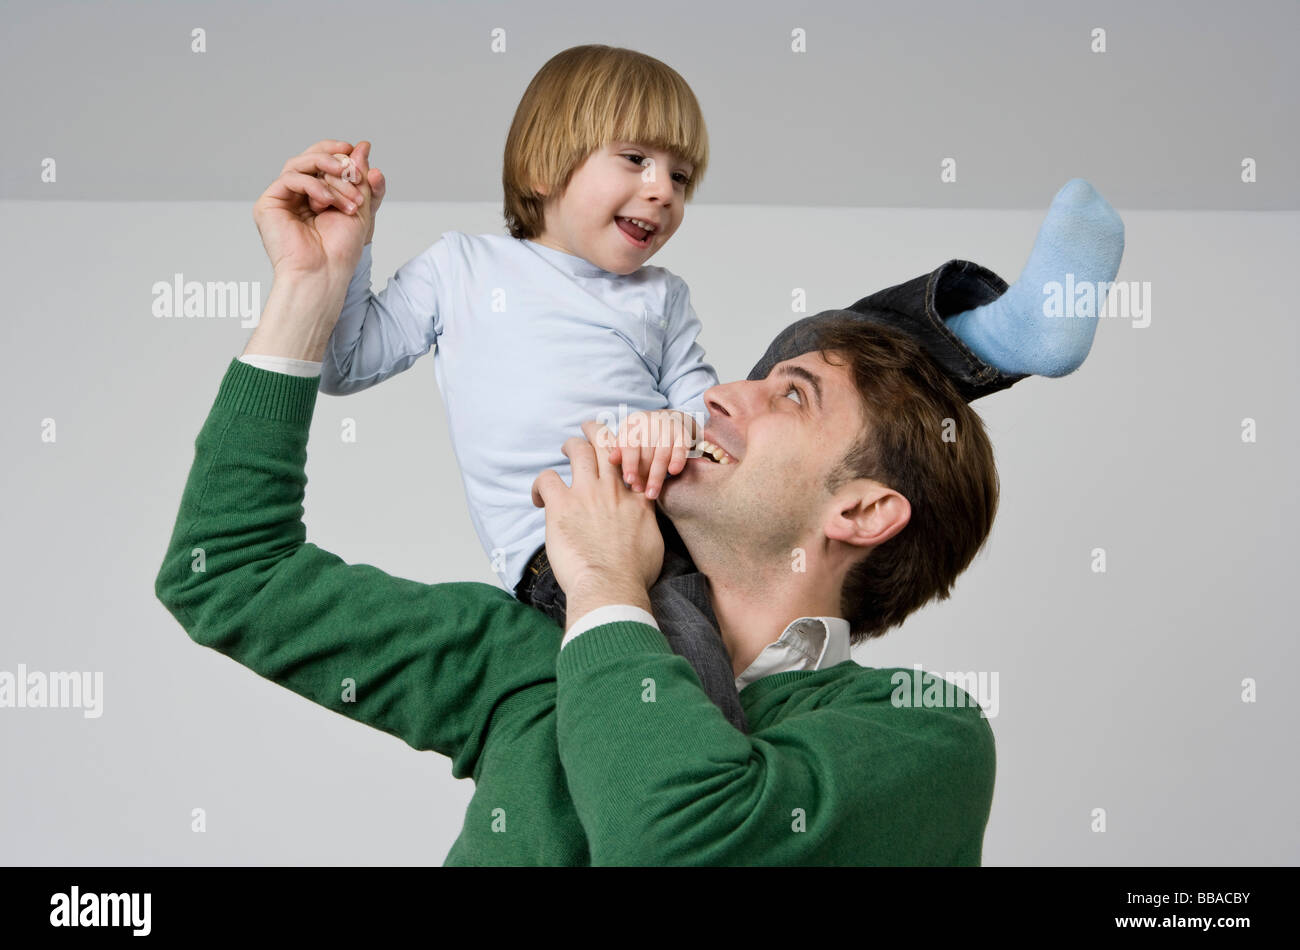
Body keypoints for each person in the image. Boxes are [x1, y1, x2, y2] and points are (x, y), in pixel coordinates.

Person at [156, 133, 1116, 865]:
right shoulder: (530, 660)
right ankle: (994, 333)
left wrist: (610, 585)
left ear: (861, 513)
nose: (720, 393)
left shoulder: (919, 733)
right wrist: (309, 297)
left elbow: (674, 839)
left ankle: (998, 336)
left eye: (791, 395)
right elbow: (227, 575)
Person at [254, 45, 1123, 731]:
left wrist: (671, 434)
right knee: (677, 637)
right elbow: (345, 363)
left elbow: (707, 404)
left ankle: (996, 332)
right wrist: (347, 249)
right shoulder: (461, 267)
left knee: (809, 360)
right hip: (580, 547)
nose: (661, 191)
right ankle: (715, 762)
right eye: (635, 159)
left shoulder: (661, 297)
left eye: (681, 177)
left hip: (676, 494)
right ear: (545, 166)